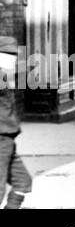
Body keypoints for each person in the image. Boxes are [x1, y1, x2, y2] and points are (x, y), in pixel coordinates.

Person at [0, 35, 32, 209]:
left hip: (8, 139)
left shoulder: (5, 75)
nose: (12, 60)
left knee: (23, 182)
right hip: (1, 137)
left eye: (13, 56)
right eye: (7, 55)